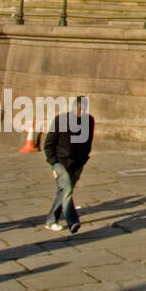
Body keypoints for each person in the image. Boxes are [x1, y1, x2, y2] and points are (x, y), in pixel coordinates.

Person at [42, 96, 93, 234]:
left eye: (83, 109)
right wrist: (54, 163)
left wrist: (84, 160)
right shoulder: (61, 120)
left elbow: (88, 142)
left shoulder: (89, 120)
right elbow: (48, 144)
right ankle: (73, 221)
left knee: (64, 191)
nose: (80, 111)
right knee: (67, 190)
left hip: (77, 163)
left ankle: (51, 220)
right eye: (78, 108)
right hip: (61, 162)